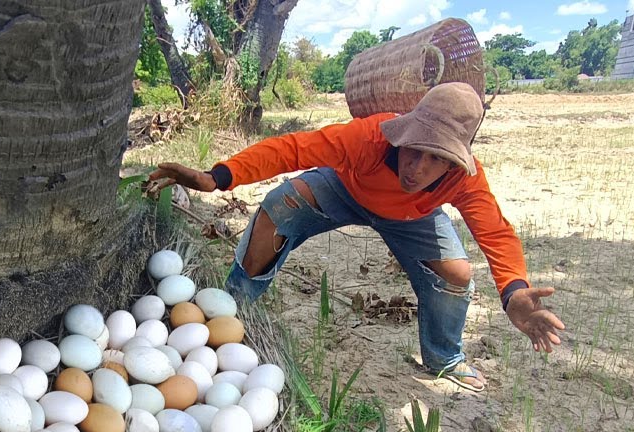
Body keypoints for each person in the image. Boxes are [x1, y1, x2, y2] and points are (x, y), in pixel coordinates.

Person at [146, 82, 564, 392]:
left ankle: (444, 357)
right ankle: (230, 309)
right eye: (414, 148)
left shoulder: (465, 180)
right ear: (404, 133)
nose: (416, 167)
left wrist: (514, 291)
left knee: (456, 273)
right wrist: (218, 177)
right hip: (345, 190)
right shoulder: (369, 137)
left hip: (412, 217)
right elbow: (293, 149)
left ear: (455, 161)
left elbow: (494, 230)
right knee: (279, 207)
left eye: (435, 158)